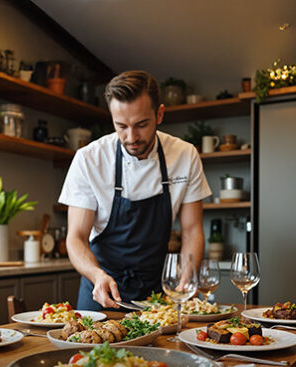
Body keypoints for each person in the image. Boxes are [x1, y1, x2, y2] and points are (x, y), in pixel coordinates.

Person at [58, 70, 211, 310]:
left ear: (159, 114)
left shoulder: (185, 155)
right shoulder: (89, 159)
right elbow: (76, 237)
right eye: (121, 126)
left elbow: (192, 231)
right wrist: (96, 275)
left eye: (141, 124)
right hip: (102, 290)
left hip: (158, 294)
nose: (131, 137)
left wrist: (185, 280)